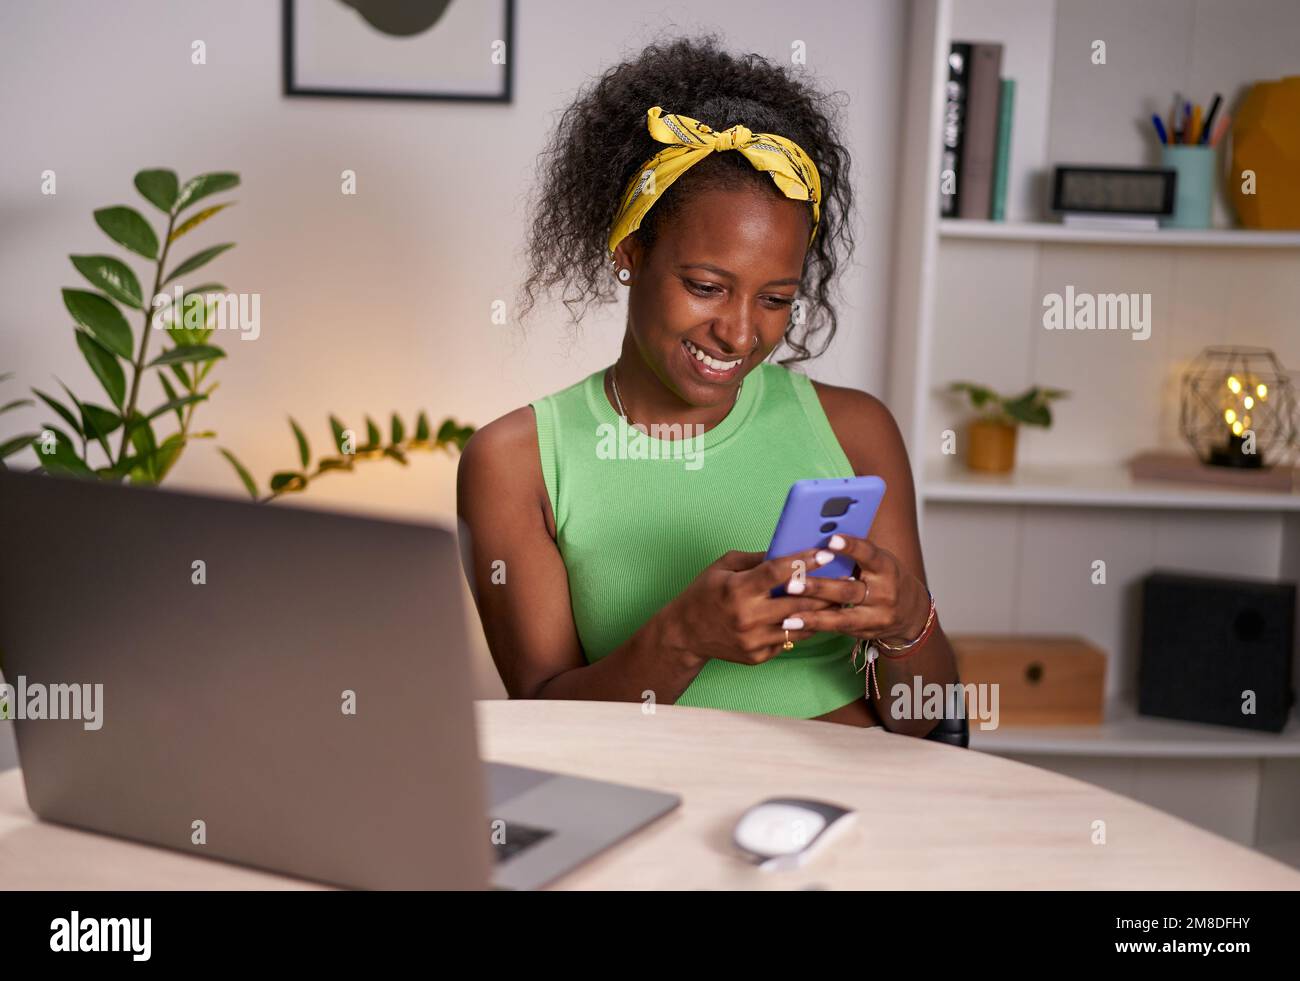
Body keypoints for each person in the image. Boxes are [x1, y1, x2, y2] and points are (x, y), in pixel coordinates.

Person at [458, 36, 957, 733]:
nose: (740, 332)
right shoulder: (515, 462)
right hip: (652, 812)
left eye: (776, 298)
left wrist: (908, 620)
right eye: (706, 286)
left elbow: (925, 723)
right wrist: (683, 637)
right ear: (631, 252)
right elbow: (549, 728)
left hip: (852, 810)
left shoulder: (855, 431)